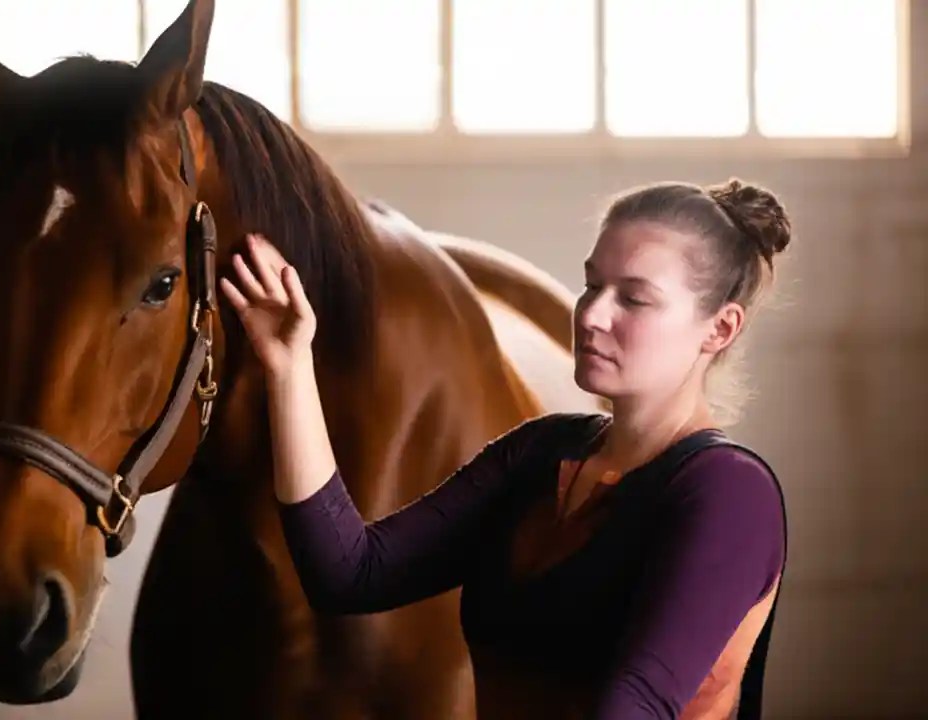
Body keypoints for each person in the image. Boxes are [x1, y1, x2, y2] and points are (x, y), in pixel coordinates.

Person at [219, 178, 791, 719]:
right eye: (592, 285)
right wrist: (290, 365)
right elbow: (348, 573)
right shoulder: (540, 451)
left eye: (634, 299)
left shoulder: (728, 492)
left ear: (720, 328)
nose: (591, 314)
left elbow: (629, 706)